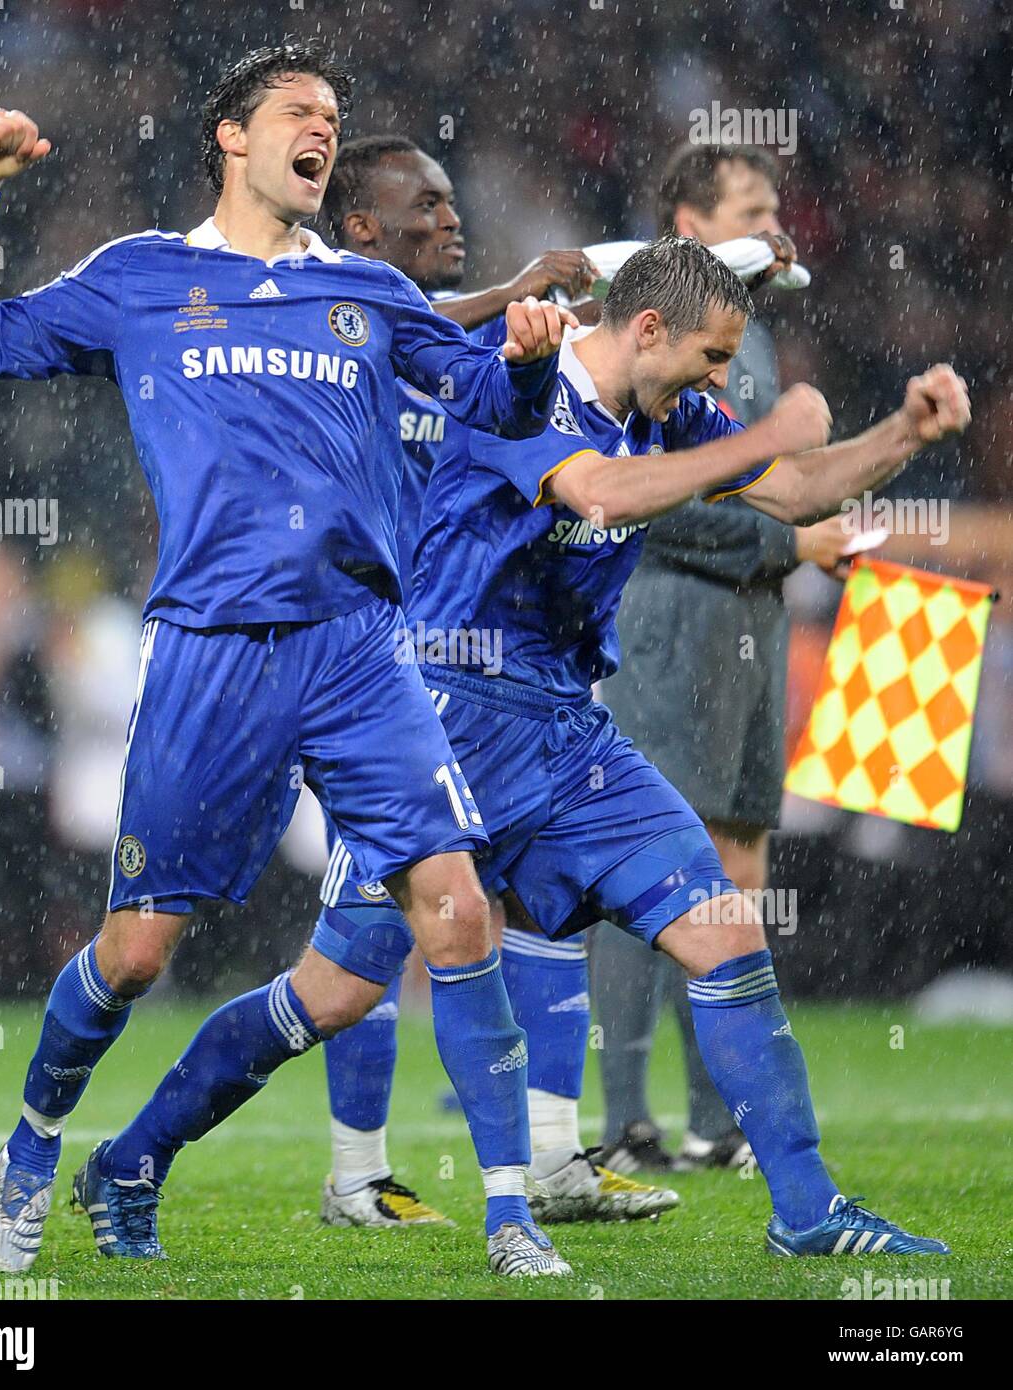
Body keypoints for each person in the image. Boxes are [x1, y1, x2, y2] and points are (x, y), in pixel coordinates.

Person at [0, 40, 577, 1279]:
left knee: (455, 901)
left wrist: (533, 361)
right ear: (232, 135)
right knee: (135, 953)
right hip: (213, 653)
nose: (321, 129)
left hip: (356, 647)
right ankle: (33, 1147)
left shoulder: (371, 295)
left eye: (333, 114)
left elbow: (494, 410)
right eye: (297, 110)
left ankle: (509, 1214)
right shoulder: (144, 278)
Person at [224, 229, 969, 1257]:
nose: (721, 378)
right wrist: (762, 438)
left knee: (722, 927)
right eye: (711, 356)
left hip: (568, 733)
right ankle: (147, 1148)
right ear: (649, 326)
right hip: (440, 718)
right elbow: (604, 494)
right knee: (333, 987)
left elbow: (792, 489)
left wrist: (902, 435)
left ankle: (803, 1208)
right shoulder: (515, 387)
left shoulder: (672, 413)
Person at [311, 134, 680, 1228]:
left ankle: (557, 1156)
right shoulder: (334, 319)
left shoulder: (469, 358)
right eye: (422, 203)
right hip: (372, 659)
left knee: (542, 900)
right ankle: (353, 1172)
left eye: (451, 194)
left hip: (503, 663)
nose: (449, 213)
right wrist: (516, 293)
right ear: (361, 229)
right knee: (375, 910)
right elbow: (377, 327)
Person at [592, 143, 853, 1175]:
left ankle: (713, 1115)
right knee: (649, 865)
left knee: (736, 861)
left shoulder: (751, 332)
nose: (777, 224)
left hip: (748, 626)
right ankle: (622, 1118)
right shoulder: (651, 333)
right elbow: (658, 509)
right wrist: (789, 542)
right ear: (691, 226)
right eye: (752, 208)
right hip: (671, 621)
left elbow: (766, 486)